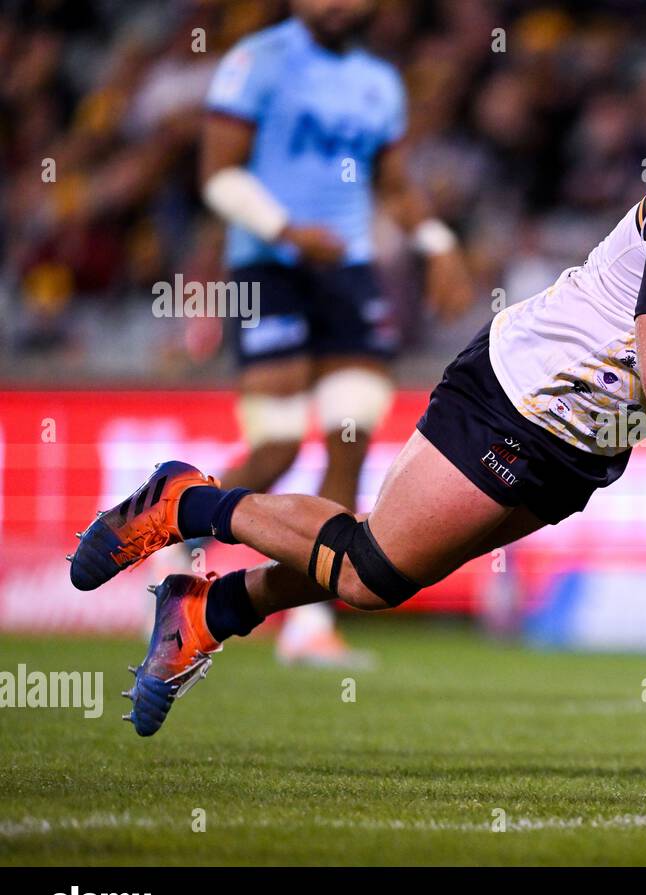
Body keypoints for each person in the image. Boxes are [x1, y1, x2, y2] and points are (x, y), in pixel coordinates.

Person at [70, 53, 646, 735]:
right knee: (368, 572)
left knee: (384, 569)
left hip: (588, 442)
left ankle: (208, 607)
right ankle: (187, 502)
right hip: (521, 393)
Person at [195, 0, 470, 665]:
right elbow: (218, 174)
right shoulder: (256, 60)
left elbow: (395, 185)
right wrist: (285, 230)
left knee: (349, 439)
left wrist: (436, 242)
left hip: (348, 273)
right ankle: (175, 534)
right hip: (270, 266)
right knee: (278, 447)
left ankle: (308, 625)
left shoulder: (379, 82)